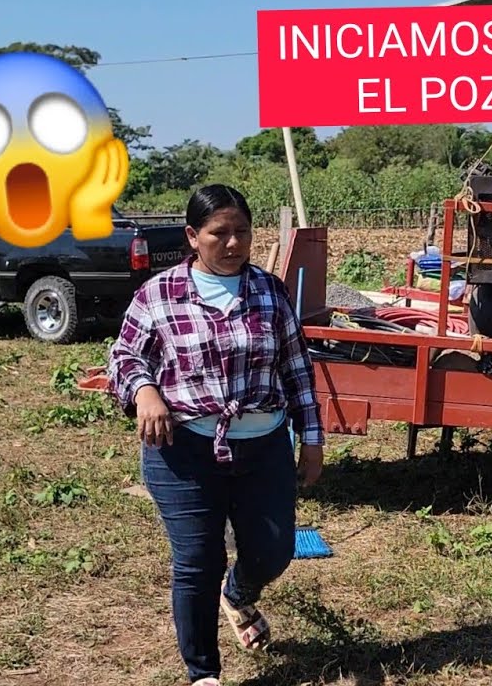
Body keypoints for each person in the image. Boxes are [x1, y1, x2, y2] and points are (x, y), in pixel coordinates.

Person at [106, 183, 325, 686]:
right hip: (183, 451)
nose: (233, 244)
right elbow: (123, 356)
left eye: (242, 232)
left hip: (264, 444)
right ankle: (203, 673)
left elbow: (296, 370)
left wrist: (311, 439)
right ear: (192, 236)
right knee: (197, 561)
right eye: (218, 233)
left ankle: (239, 593)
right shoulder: (158, 294)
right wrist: (144, 392)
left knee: (274, 551)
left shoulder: (269, 291)